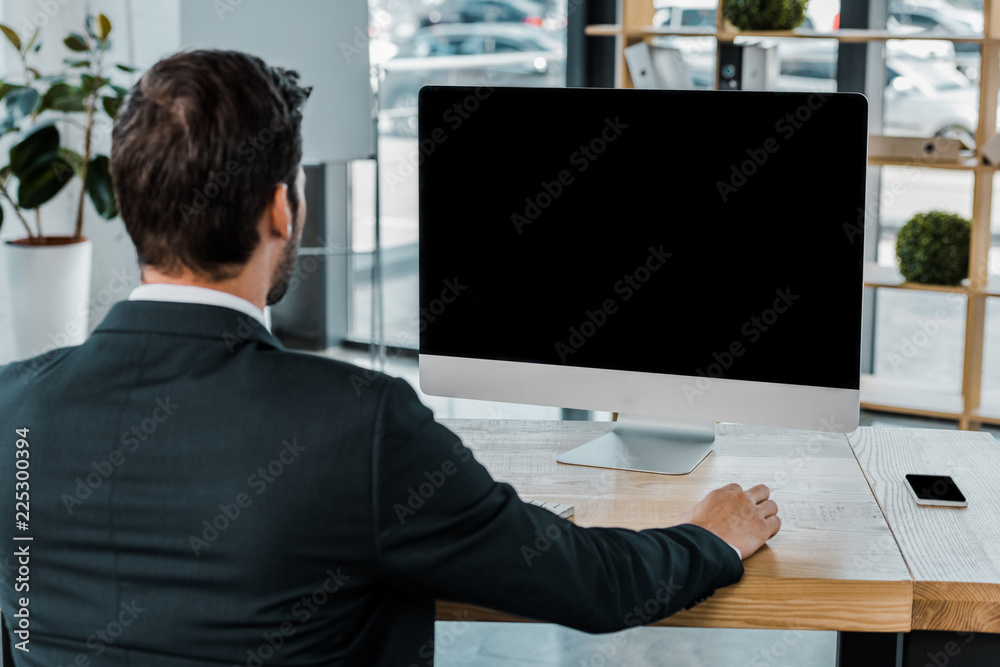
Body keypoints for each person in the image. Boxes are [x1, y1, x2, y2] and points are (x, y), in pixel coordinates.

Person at [0, 49, 780, 666]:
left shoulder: (12, 409)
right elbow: (584, 582)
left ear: (129, 201)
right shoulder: (359, 425)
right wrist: (707, 536)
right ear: (282, 206)